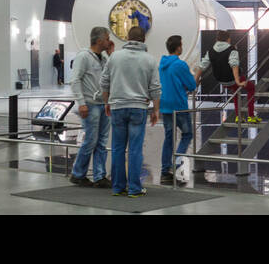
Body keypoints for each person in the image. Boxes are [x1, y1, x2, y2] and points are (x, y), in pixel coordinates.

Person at [102, 25, 160, 197]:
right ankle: (134, 188)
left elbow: (104, 82)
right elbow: (155, 88)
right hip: (138, 108)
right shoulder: (150, 60)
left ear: (127, 38)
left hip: (117, 107)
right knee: (135, 149)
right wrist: (156, 110)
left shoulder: (115, 57)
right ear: (143, 40)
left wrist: (107, 102)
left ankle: (118, 187)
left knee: (118, 148)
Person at [69, 26, 111, 188]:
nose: (109, 41)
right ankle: (78, 173)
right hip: (90, 105)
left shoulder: (104, 57)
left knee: (101, 142)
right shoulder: (83, 57)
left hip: (103, 104)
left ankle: (100, 176)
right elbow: (75, 80)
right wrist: (81, 103)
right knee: (91, 141)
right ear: (99, 40)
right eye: (107, 38)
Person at [158, 34, 199, 185]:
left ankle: (164, 171)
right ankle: (177, 165)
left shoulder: (162, 64)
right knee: (187, 135)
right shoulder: (180, 65)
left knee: (169, 138)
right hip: (179, 106)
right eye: (181, 45)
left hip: (165, 106)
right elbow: (192, 85)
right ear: (178, 48)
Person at [201, 30, 259, 123]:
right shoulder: (232, 50)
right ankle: (251, 115)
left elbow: (202, 66)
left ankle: (238, 116)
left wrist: (196, 80)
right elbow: (234, 65)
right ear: (228, 39)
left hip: (220, 80)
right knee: (251, 88)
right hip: (232, 79)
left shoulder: (211, 51)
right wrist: (238, 81)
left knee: (236, 92)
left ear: (217, 39)